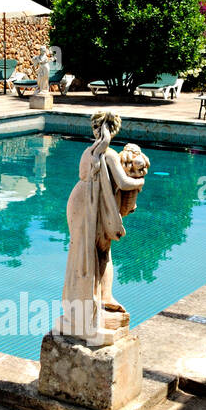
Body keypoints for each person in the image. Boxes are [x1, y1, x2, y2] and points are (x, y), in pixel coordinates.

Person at [56, 111, 147, 344]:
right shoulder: (109, 155)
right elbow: (125, 182)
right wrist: (140, 182)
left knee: (82, 251)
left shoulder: (89, 152)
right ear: (113, 130)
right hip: (89, 205)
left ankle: (92, 301)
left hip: (78, 200)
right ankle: (97, 302)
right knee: (99, 252)